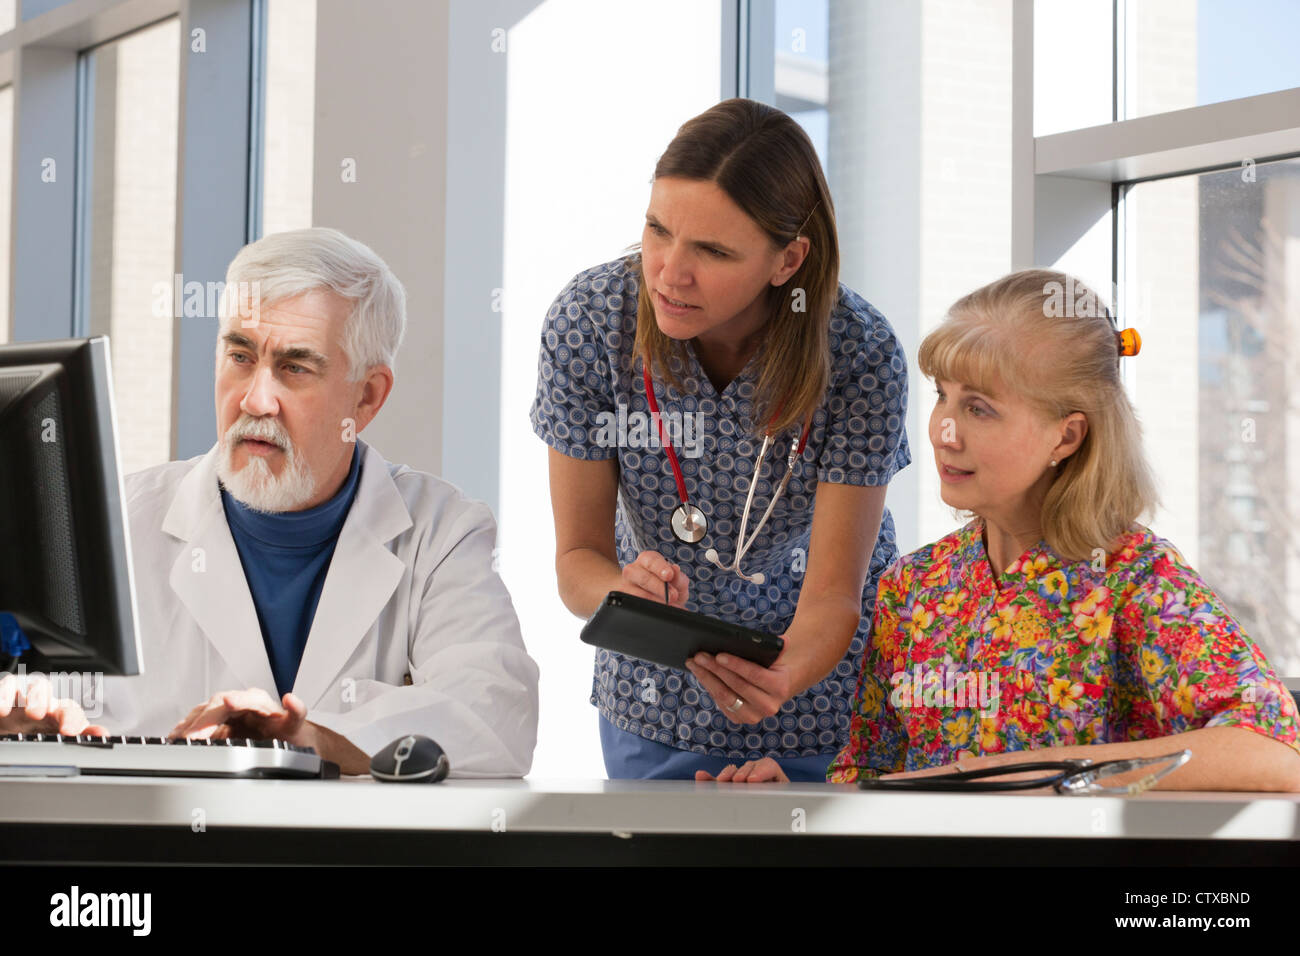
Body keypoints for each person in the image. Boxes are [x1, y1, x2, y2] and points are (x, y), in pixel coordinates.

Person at [702, 269, 1300, 790]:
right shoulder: (911, 589)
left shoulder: (1137, 580)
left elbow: (1273, 749)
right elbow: (873, 776)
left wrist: (1045, 774)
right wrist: (793, 797)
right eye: (944, 397)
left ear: (1066, 436)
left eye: (979, 408)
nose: (944, 432)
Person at [0, 227, 540, 777]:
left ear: (367, 395)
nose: (256, 399)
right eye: (240, 356)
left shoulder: (442, 532)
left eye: (295, 367)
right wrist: (28, 735)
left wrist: (316, 739)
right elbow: (35, 692)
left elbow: (496, 717)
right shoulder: (109, 523)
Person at [530, 98, 912, 780]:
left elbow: (833, 597)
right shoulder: (589, 323)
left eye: (711, 250)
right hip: (654, 703)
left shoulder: (860, 353)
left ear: (787, 260)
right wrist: (622, 593)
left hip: (821, 701)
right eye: (658, 230)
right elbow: (576, 559)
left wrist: (780, 677)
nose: (669, 272)